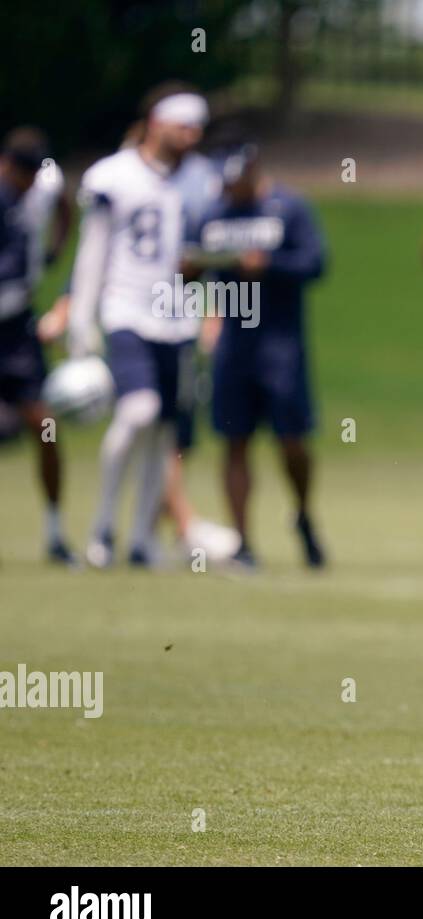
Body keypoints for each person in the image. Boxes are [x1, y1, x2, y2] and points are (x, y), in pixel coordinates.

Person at [66, 84, 207, 568]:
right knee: (139, 412)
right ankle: (103, 524)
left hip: (178, 318)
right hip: (126, 309)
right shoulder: (114, 175)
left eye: (197, 126)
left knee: (165, 432)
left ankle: (143, 537)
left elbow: (206, 247)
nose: (191, 134)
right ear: (155, 122)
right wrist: (81, 318)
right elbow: (92, 250)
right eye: (182, 124)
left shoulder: (201, 179)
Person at [188, 143, 327, 569]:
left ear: (253, 172)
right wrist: (191, 271)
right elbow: (185, 264)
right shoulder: (212, 213)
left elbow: (316, 263)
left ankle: (303, 513)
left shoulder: (288, 207)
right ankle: (243, 541)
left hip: (281, 345)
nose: (231, 191)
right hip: (233, 344)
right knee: (234, 441)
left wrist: (267, 265)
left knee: (292, 442)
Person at [0, 127, 74, 563]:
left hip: (18, 327)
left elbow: (64, 202)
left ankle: (54, 529)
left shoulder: (44, 185)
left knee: (44, 426)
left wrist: (55, 249)